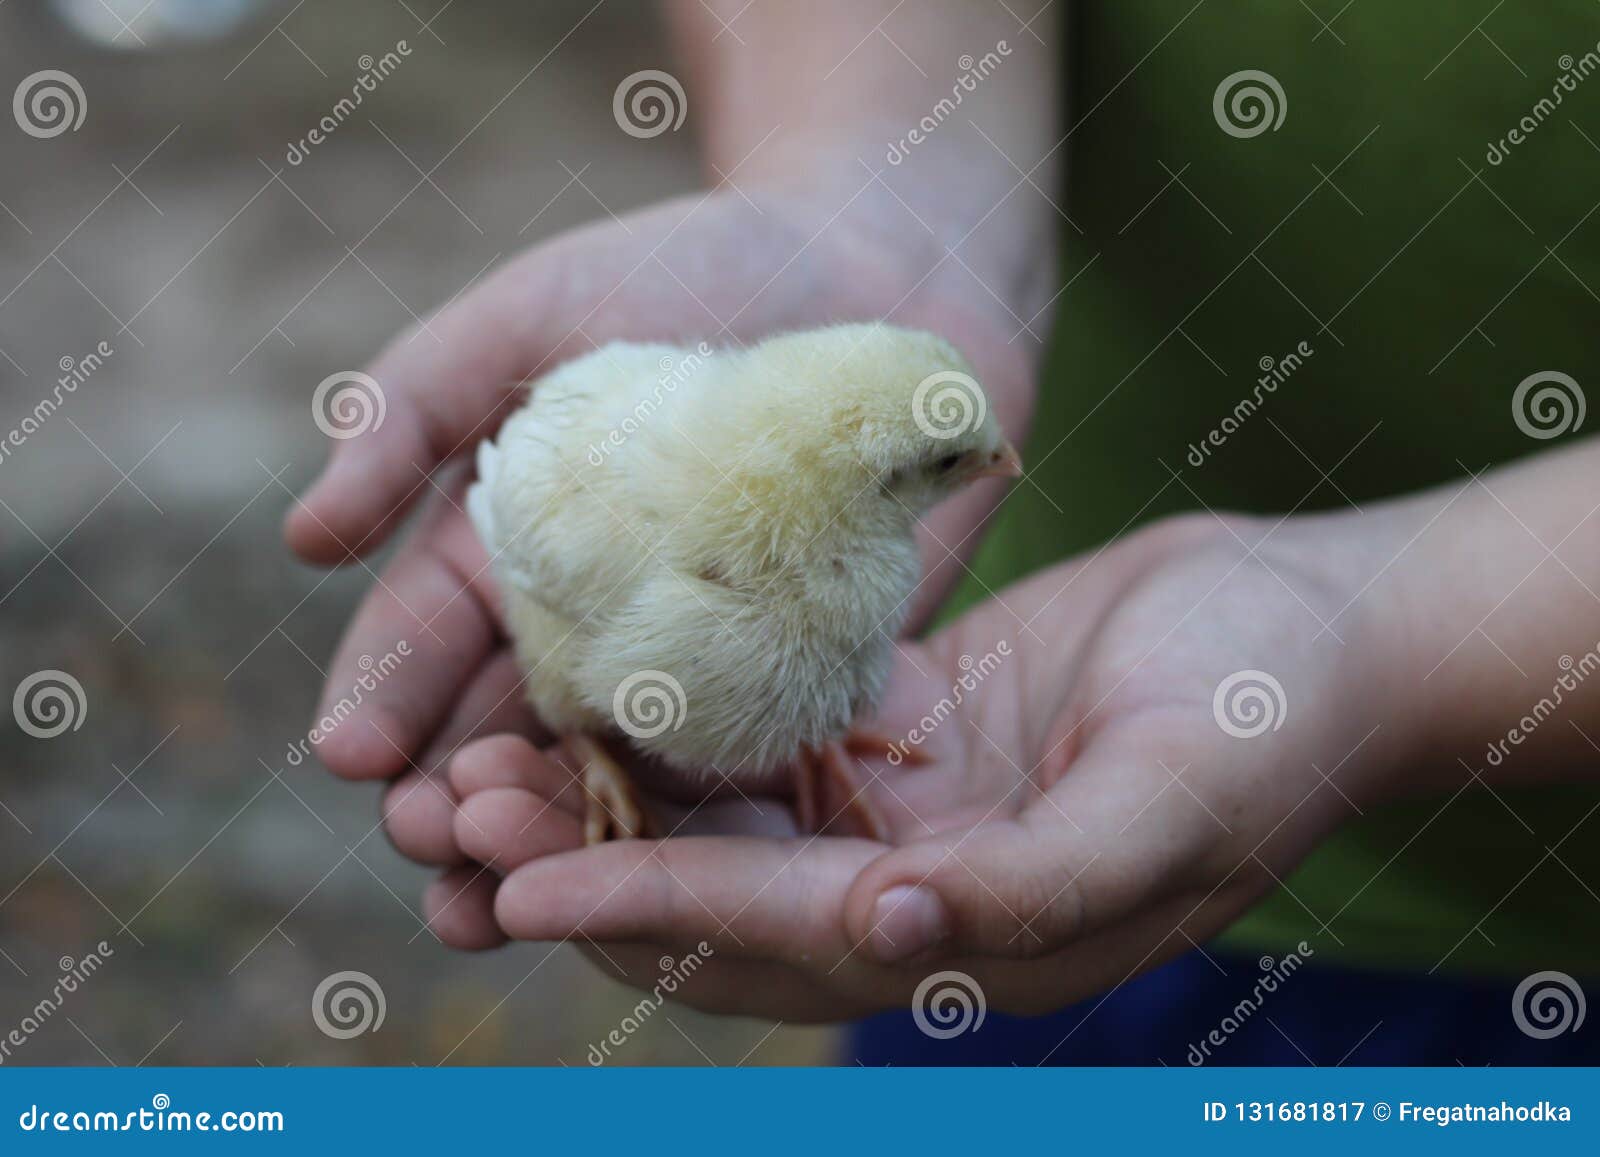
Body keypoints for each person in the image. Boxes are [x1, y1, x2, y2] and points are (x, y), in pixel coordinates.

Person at [284, 1, 1600, 1064]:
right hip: (1111, 786)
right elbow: (538, 486)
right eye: (955, 462)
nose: (989, 471)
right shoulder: (642, 526)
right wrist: (873, 196)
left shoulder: (830, 539)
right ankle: (592, 736)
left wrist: (1385, 634)